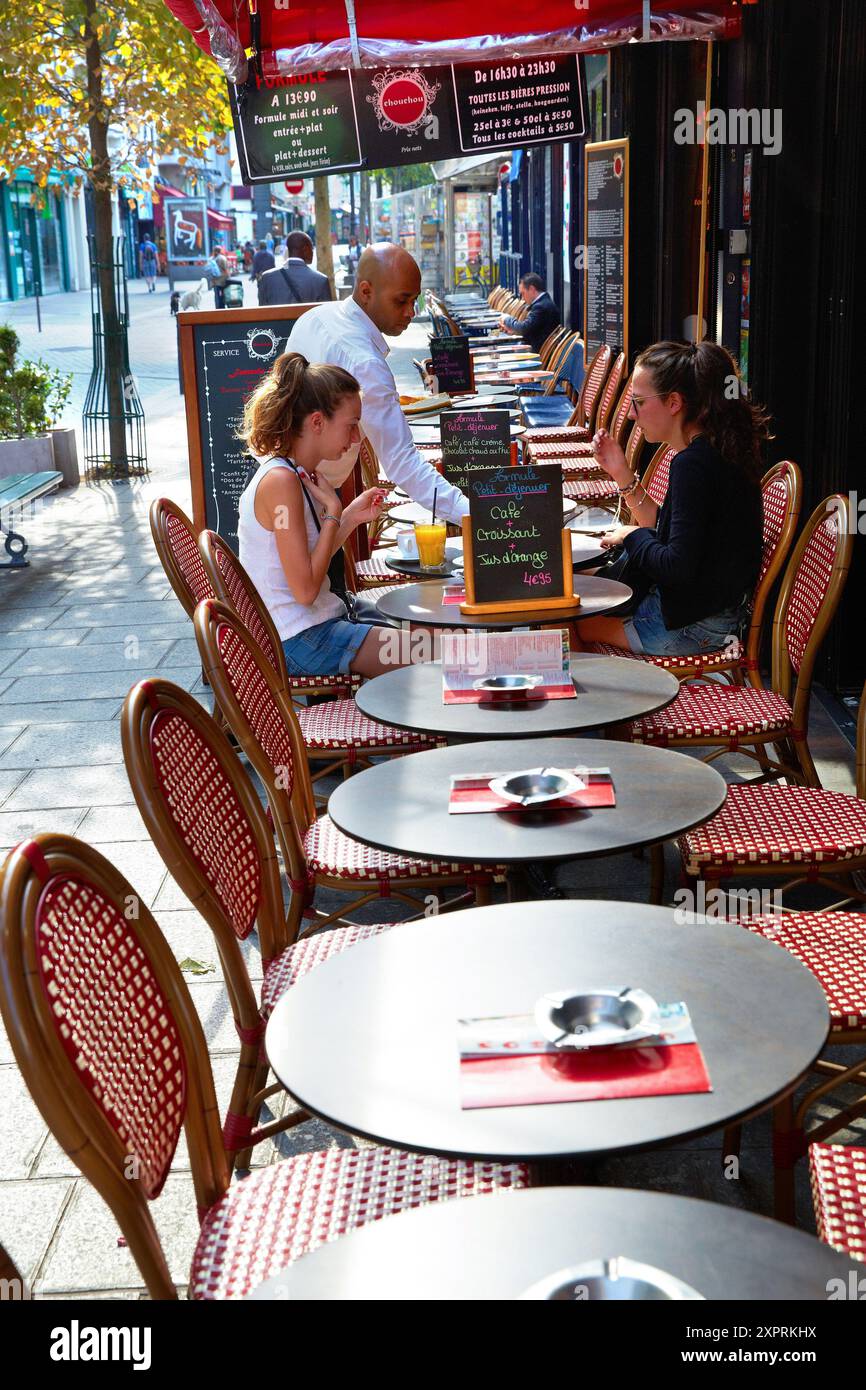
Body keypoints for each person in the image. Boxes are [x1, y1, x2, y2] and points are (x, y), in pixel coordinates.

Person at [577, 340, 767, 657]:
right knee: (577, 585)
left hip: (694, 627)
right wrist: (622, 472)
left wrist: (632, 536)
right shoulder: (712, 450)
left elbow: (676, 566)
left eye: (638, 402)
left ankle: (616, 702)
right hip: (709, 614)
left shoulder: (693, 464)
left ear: (674, 402)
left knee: (569, 618)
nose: (631, 414)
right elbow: (675, 532)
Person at [237, 353, 402, 678]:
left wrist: (349, 517)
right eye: (351, 426)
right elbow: (305, 590)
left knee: (430, 637)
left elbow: (305, 560)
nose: (356, 439)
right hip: (302, 639)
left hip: (314, 627)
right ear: (317, 422)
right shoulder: (282, 483)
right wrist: (333, 515)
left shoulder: (291, 471)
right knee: (432, 652)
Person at [289, 242, 468, 520]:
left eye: (415, 300)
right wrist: (475, 516)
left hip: (286, 481)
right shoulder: (365, 363)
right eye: (401, 300)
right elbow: (402, 462)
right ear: (366, 292)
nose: (411, 312)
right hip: (305, 501)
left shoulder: (315, 316)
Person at [258, 231, 332, 306]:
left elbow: (261, 310)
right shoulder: (321, 280)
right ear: (305, 249)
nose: (313, 252)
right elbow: (326, 314)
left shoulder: (267, 278)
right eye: (312, 248)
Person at [499, 273, 560, 353]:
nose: (522, 298)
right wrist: (513, 331)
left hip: (535, 353)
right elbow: (531, 329)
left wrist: (507, 319)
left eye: (523, 293)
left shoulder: (541, 307)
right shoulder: (543, 303)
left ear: (531, 289)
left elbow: (523, 328)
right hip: (532, 347)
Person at [211, 244, 229, 309]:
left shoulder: (212, 259)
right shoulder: (222, 258)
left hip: (215, 280)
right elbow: (225, 269)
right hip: (222, 279)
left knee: (217, 295)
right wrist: (228, 277)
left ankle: (218, 307)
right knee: (223, 293)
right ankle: (222, 306)